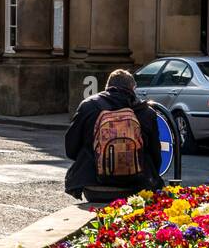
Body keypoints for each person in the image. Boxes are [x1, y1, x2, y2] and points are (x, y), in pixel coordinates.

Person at [64, 69, 164, 204]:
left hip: (94, 187)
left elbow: (71, 149)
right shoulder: (146, 112)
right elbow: (155, 155)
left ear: (107, 87)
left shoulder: (88, 106)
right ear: (133, 88)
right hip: (136, 187)